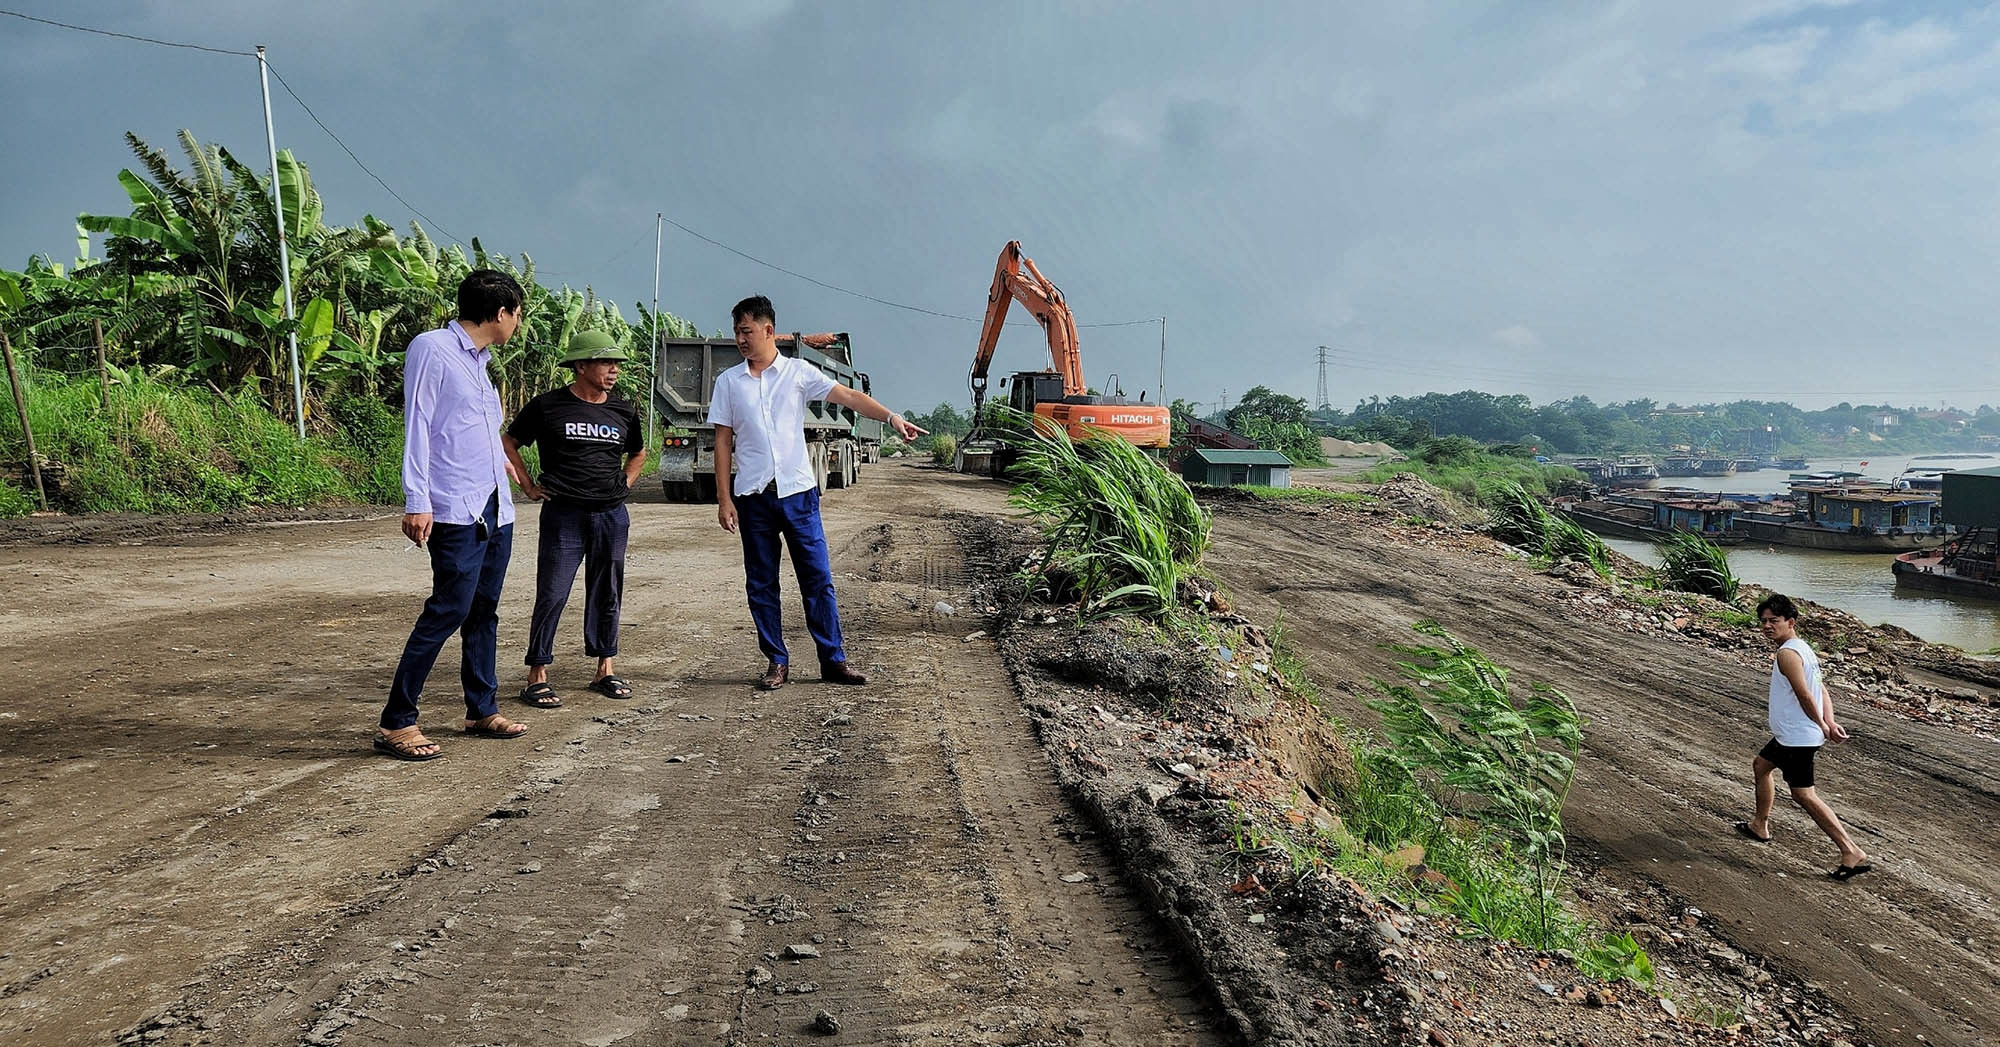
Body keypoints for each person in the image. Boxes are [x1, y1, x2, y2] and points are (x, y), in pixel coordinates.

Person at [707, 295, 926, 690]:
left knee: (818, 578)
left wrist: (892, 417)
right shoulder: (729, 383)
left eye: (746, 331)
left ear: (768, 330)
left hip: (798, 494)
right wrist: (724, 499)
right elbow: (723, 442)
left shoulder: (797, 373)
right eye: (737, 332)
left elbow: (849, 397)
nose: (740, 339)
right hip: (753, 498)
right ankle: (777, 661)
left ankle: (833, 659)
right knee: (761, 583)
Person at [374, 269, 533, 761]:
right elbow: (417, 424)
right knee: (448, 609)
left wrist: (509, 472)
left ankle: (481, 707)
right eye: (518, 315)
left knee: (484, 610)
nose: (519, 325)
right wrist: (416, 499)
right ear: (501, 312)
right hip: (453, 506)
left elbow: (470, 431)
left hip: (492, 505)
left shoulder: (480, 364)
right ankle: (396, 721)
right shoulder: (432, 347)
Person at [502, 330, 646, 707]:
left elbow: (638, 453)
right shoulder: (548, 407)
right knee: (553, 591)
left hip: (611, 515)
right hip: (563, 513)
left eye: (617, 364)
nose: (614, 370)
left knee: (607, 592)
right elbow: (508, 442)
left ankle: (605, 668)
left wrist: (625, 484)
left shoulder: (624, 410)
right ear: (580, 366)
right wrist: (528, 486)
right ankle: (537, 674)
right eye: (605, 362)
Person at [1736, 593, 1872, 880]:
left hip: (1798, 737)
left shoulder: (1787, 654)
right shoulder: (1802, 649)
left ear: (1791, 622)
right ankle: (1759, 825)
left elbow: (1805, 694)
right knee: (1761, 766)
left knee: (1804, 795)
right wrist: (1830, 722)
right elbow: (1822, 690)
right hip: (1790, 735)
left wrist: (1822, 724)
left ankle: (1851, 851)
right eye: (1763, 621)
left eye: (1774, 620)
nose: (1767, 626)